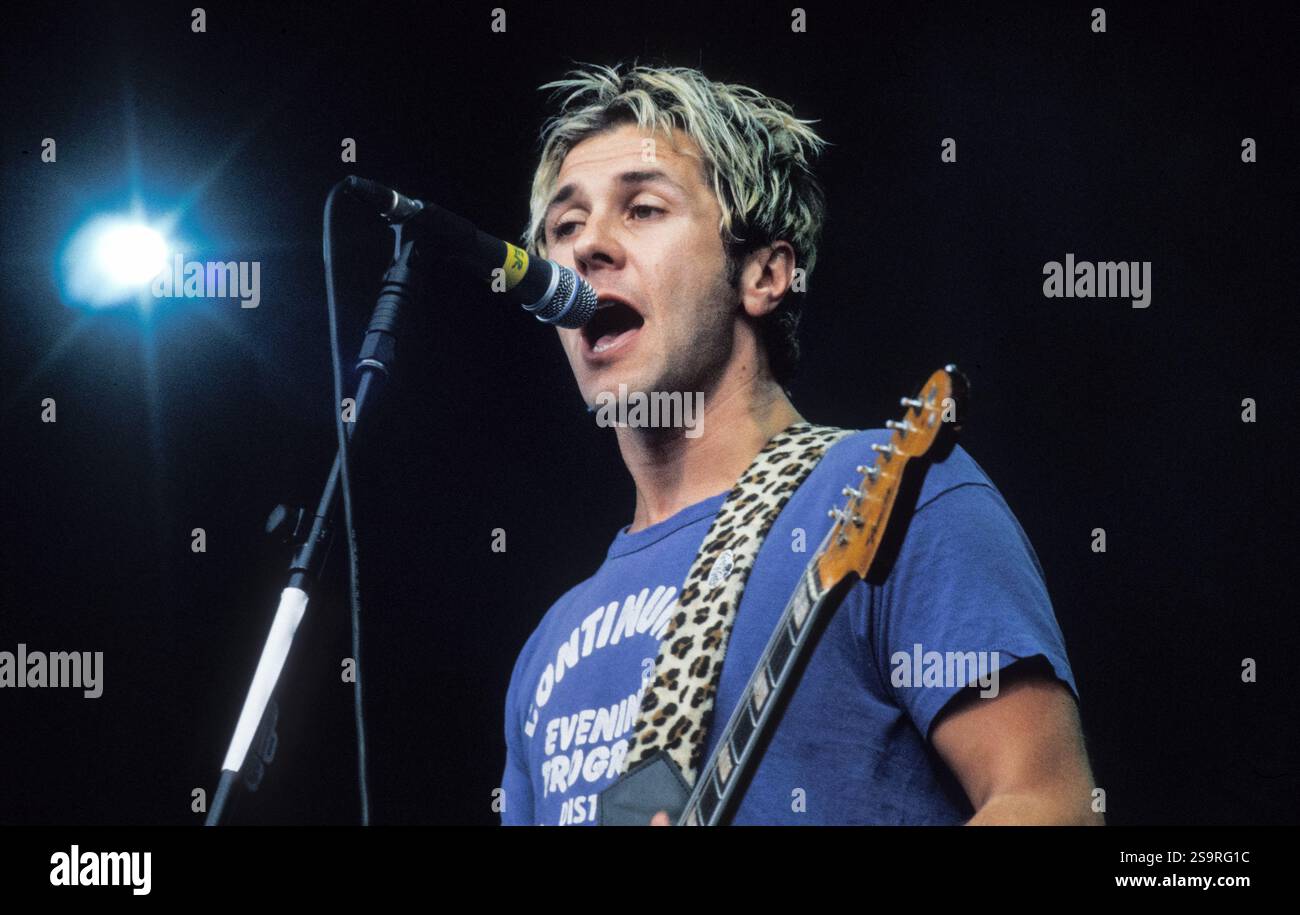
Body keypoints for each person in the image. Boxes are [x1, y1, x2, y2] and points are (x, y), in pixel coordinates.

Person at [499, 61, 1101, 826]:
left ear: (765, 274)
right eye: (564, 226)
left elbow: (1050, 804)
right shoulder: (547, 648)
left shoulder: (892, 489)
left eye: (643, 209)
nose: (587, 248)